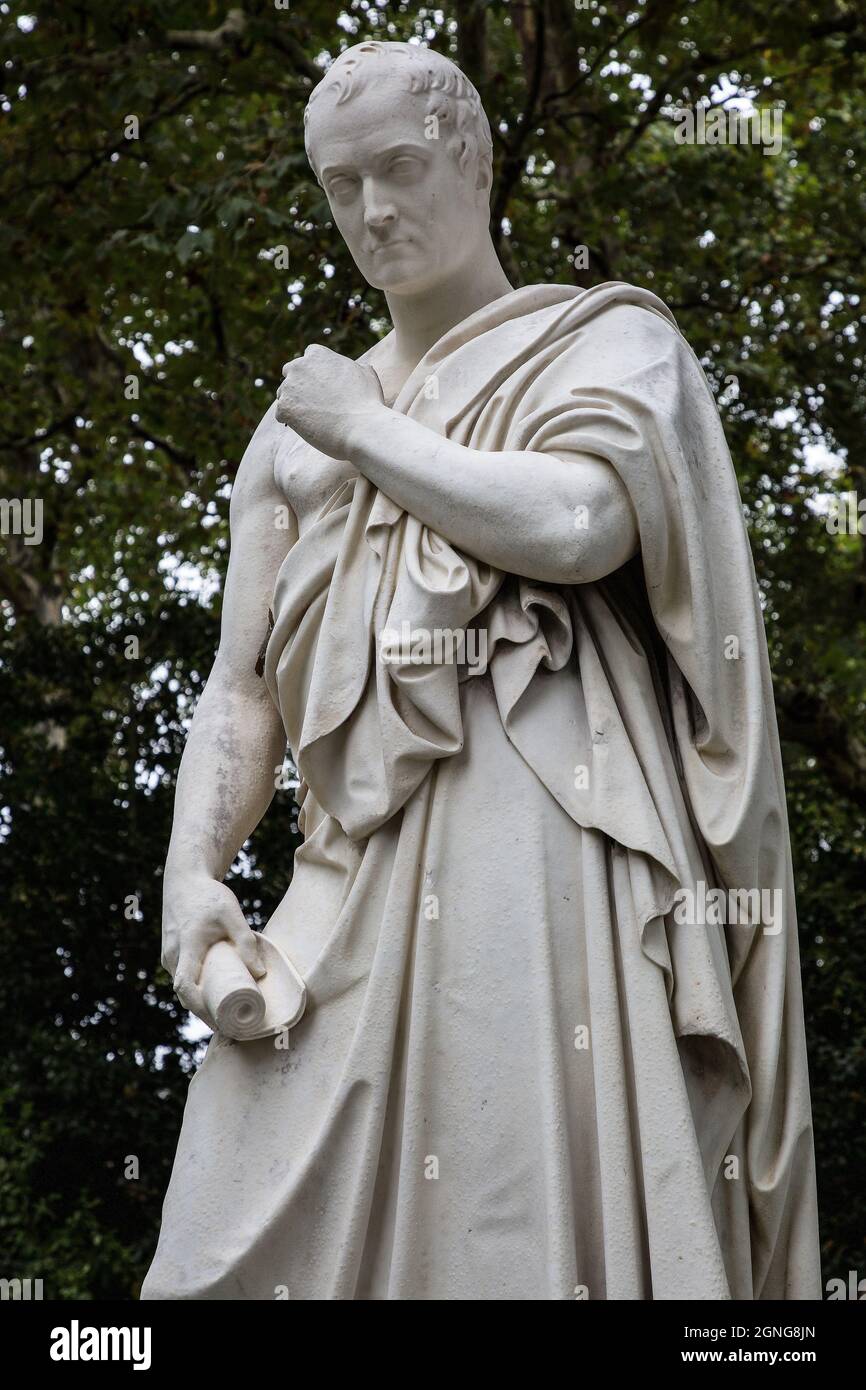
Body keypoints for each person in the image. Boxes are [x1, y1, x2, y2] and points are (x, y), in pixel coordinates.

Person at [141, 40, 820, 1301]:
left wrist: (367, 432)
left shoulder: (597, 342)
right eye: (341, 186)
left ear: (476, 159)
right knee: (207, 1244)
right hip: (342, 866)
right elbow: (244, 687)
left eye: (399, 168)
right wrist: (190, 872)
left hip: (541, 827)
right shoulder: (289, 437)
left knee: (523, 1203)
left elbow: (575, 525)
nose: (372, 211)